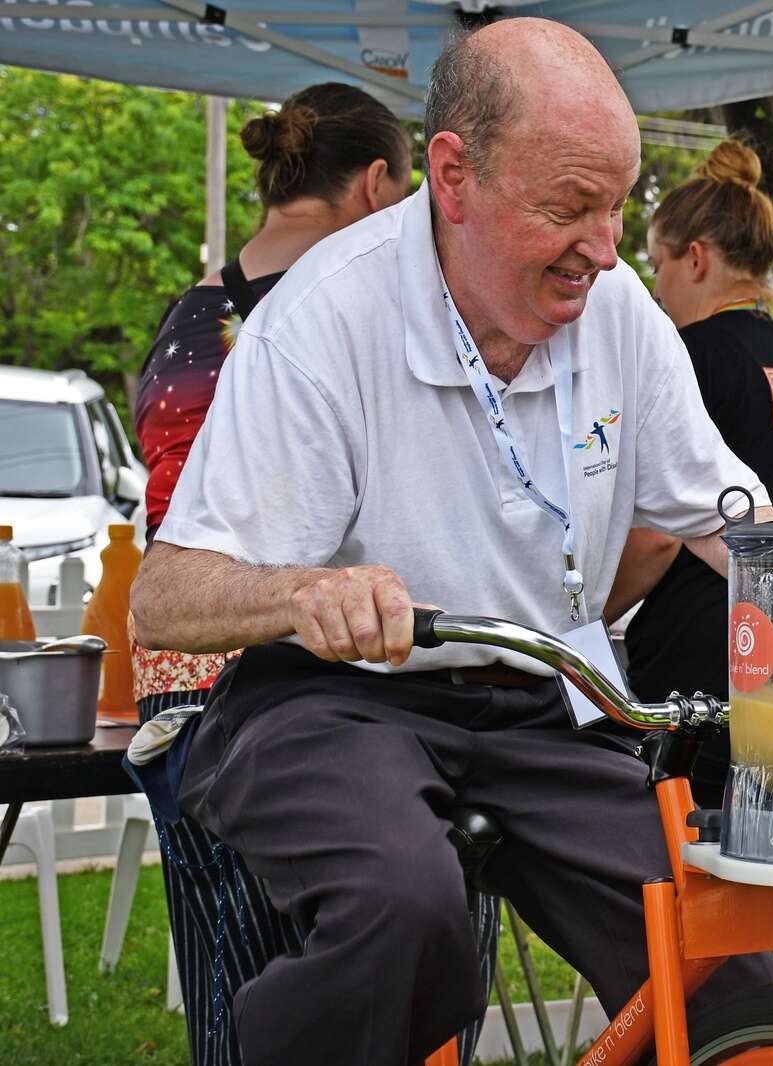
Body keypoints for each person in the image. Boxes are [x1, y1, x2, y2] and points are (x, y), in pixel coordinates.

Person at [130, 19, 773, 1066]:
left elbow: (732, 525)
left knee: (728, 962)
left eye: (617, 207)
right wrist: (303, 593)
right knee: (406, 912)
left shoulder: (616, 311)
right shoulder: (325, 317)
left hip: (539, 693)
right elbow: (163, 596)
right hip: (330, 697)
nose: (606, 249)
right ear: (452, 175)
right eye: (570, 206)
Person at [127, 84, 497, 1066]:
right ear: (377, 185)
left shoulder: (188, 317)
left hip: (173, 686)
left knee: (238, 985)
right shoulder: (339, 316)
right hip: (312, 687)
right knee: (392, 1001)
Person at [608, 139, 773, 806]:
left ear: (696, 258)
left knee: (684, 876)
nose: (654, 287)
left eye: (656, 264)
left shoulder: (690, 359)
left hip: (696, 672)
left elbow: (660, 533)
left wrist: (581, 620)